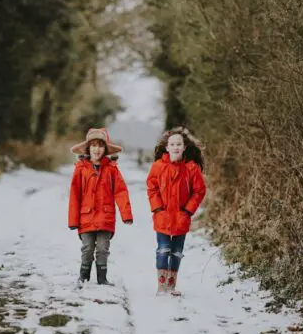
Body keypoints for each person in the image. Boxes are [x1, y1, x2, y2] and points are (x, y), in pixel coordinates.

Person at [68, 128, 133, 286]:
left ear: (105, 149)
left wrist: (126, 214)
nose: (97, 149)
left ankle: (102, 278)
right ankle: (83, 276)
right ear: (88, 149)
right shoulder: (81, 169)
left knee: (103, 248)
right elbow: (75, 195)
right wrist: (73, 220)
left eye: (100, 146)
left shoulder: (111, 169)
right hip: (86, 217)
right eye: (94, 145)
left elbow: (121, 192)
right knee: (87, 248)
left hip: (105, 217)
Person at [146, 126, 206, 296]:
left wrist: (187, 211)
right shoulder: (158, 166)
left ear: (184, 147)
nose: (175, 147)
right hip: (162, 216)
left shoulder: (191, 168)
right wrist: (157, 208)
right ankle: (161, 285)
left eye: (179, 144)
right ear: (167, 147)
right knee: (163, 249)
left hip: (181, 217)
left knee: (177, 252)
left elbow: (199, 191)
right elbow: (152, 187)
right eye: (172, 144)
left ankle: (172, 286)